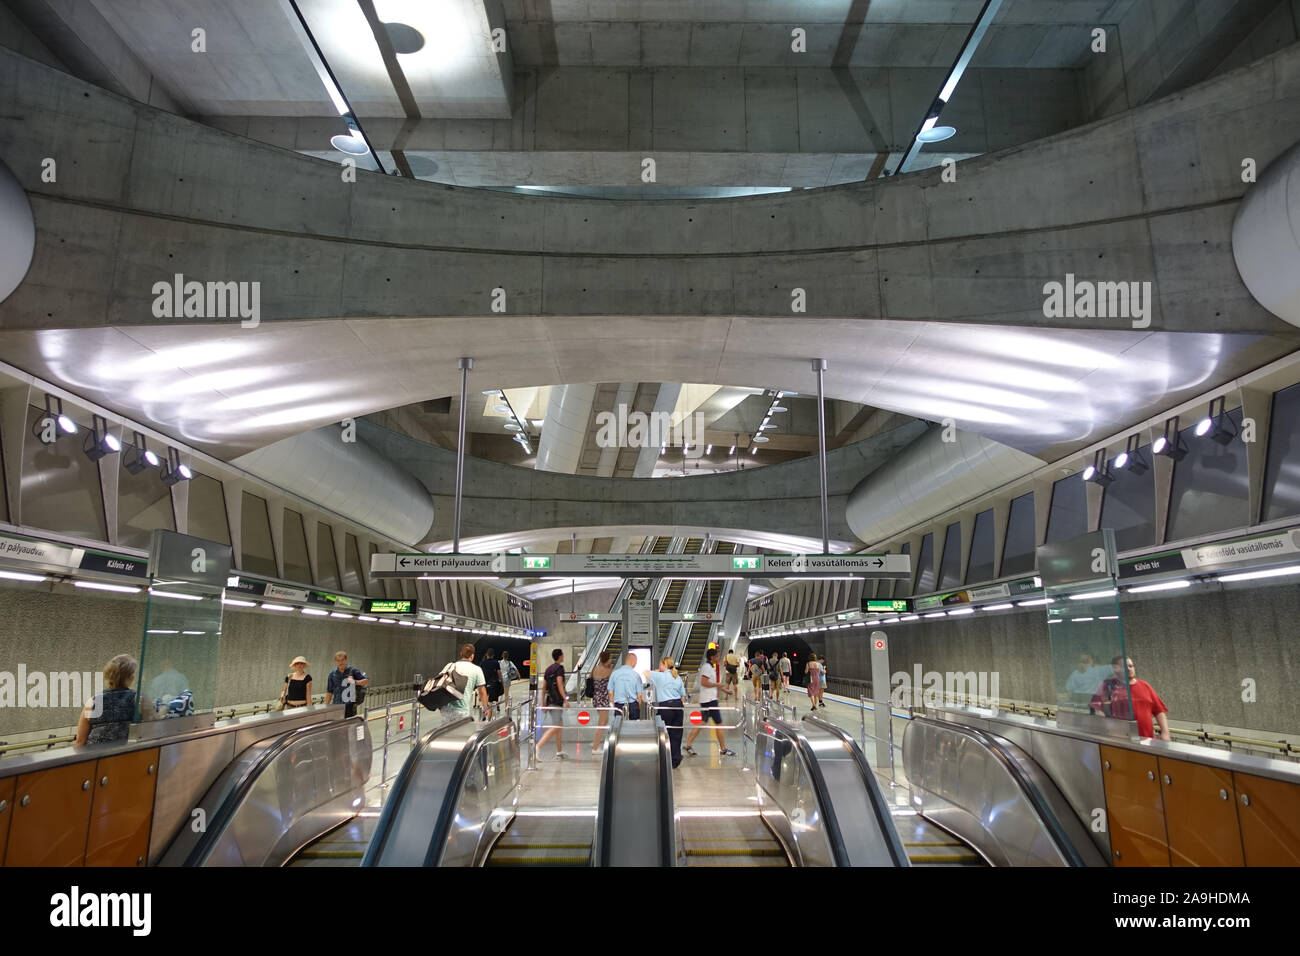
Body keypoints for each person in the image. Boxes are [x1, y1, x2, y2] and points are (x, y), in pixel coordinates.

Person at [1090, 656, 1171, 741]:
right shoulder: (1107, 686)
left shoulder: (1145, 686)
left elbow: (1159, 711)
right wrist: (1110, 731)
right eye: (1124, 667)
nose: (1129, 669)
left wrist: (1165, 732)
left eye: (1131, 666)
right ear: (1115, 669)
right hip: (1121, 741)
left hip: (1147, 741)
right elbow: (1098, 711)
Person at [75, 654, 137, 747]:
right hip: (125, 755)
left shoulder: (93, 701)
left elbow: (80, 741)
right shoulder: (137, 699)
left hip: (94, 755)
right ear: (131, 677)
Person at [684, 648, 736, 757]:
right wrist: (717, 685)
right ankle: (723, 749)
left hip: (707, 700)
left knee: (702, 722)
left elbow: (711, 683)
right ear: (712, 657)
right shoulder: (707, 667)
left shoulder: (709, 667)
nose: (718, 658)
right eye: (717, 656)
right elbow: (704, 683)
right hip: (710, 701)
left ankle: (688, 744)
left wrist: (724, 689)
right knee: (719, 724)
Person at [646, 657, 687, 768]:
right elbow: (683, 695)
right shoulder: (677, 677)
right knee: (676, 734)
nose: (659, 666)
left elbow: (645, 672)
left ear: (664, 665)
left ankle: (664, 758)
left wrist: (658, 671)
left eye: (660, 664)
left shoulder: (660, 676)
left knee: (663, 733)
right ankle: (675, 759)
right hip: (678, 706)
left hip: (666, 706)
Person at [438, 643, 488, 724]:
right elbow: (482, 691)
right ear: (472, 656)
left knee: (446, 735)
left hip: (446, 710)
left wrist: (440, 705)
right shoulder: (476, 669)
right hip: (462, 711)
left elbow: (439, 683)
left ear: (461, 654)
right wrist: (485, 708)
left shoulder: (450, 666)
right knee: (461, 735)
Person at [537, 648, 569, 759]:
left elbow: (544, 688)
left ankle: (559, 752)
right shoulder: (559, 669)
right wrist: (565, 699)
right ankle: (538, 747)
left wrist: (543, 703)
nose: (563, 656)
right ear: (560, 656)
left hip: (550, 700)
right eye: (562, 654)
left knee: (559, 726)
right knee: (556, 726)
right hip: (557, 701)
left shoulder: (548, 669)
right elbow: (560, 684)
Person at [326, 651, 369, 719]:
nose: (340, 662)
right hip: (336, 705)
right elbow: (329, 691)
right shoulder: (332, 674)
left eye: (342, 660)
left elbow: (366, 681)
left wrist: (354, 682)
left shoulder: (353, 671)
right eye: (338, 660)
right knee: (337, 726)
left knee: (350, 727)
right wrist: (327, 707)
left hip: (350, 706)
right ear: (335, 661)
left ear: (346, 660)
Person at [589, 650, 615, 752]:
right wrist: (611, 667)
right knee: (602, 722)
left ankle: (596, 740)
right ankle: (595, 747)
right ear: (607, 659)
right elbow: (612, 679)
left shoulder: (595, 669)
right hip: (603, 698)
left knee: (605, 720)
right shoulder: (607, 671)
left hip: (596, 697)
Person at [609, 652, 644, 720]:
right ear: (633, 662)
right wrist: (638, 708)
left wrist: (614, 706)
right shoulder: (636, 675)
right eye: (636, 662)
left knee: (618, 726)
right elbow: (639, 695)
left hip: (618, 705)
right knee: (633, 728)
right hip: (633, 705)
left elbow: (610, 693)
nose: (636, 664)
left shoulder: (614, 674)